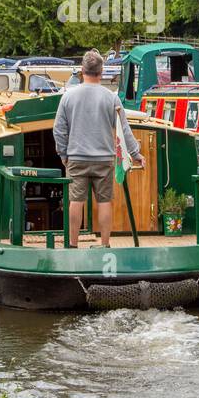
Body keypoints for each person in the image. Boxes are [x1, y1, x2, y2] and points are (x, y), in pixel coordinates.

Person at [53, 49, 143, 248]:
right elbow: (124, 130)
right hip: (104, 159)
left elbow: (59, 129)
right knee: (104, 202)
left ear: (81, 71)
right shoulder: (111, 98)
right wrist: (135, 153)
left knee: (76, 201)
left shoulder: (68, 97)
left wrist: (63, 154)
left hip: (77, 157)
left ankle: (73, 245)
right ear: (101, 71)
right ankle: (105, 244)